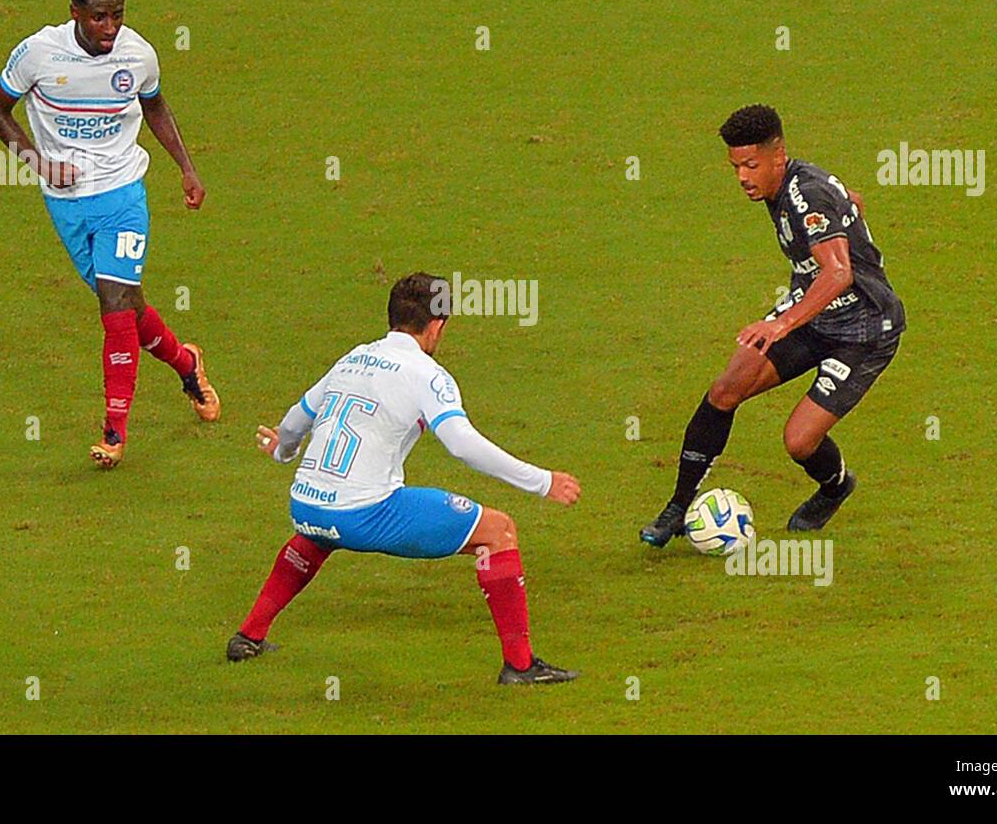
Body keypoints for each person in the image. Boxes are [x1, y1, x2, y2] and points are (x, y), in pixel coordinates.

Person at [229, 273, 583, 685]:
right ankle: (520, 666)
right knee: (498, 532)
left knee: (319, 532)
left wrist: (283, 452)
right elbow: (462, 444)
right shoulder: (425, 373)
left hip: (305, 506)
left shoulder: (352, 357)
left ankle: (248, 635)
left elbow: (295, 420)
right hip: (366, 514)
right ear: (436, 326)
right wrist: (542, 481)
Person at [0, 0, 219, 469]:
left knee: (114, 305)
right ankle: (186, 364)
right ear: (75, 14)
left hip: (122, 194)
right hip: (65, 199)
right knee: (129, 307)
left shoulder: (138, 54)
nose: (110, 28)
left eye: (117, 16)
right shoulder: (38, 54)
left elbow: (155, 107)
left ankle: (115, 430)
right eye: (98, 18)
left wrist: (186, 167)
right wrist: (37, 162)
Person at [641, 104, 905, 544]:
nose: (743, 176)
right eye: (735, 166)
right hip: (813, 313)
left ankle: (836, 485)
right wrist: (849, 208)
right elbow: (850, 200)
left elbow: (839, 274)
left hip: (863, 333)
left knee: (799, 442)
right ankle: (677, 508)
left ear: (778, 156)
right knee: (727, 387)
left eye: (751, 165)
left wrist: (782, 324)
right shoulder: (790, 188)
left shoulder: (808, 195)